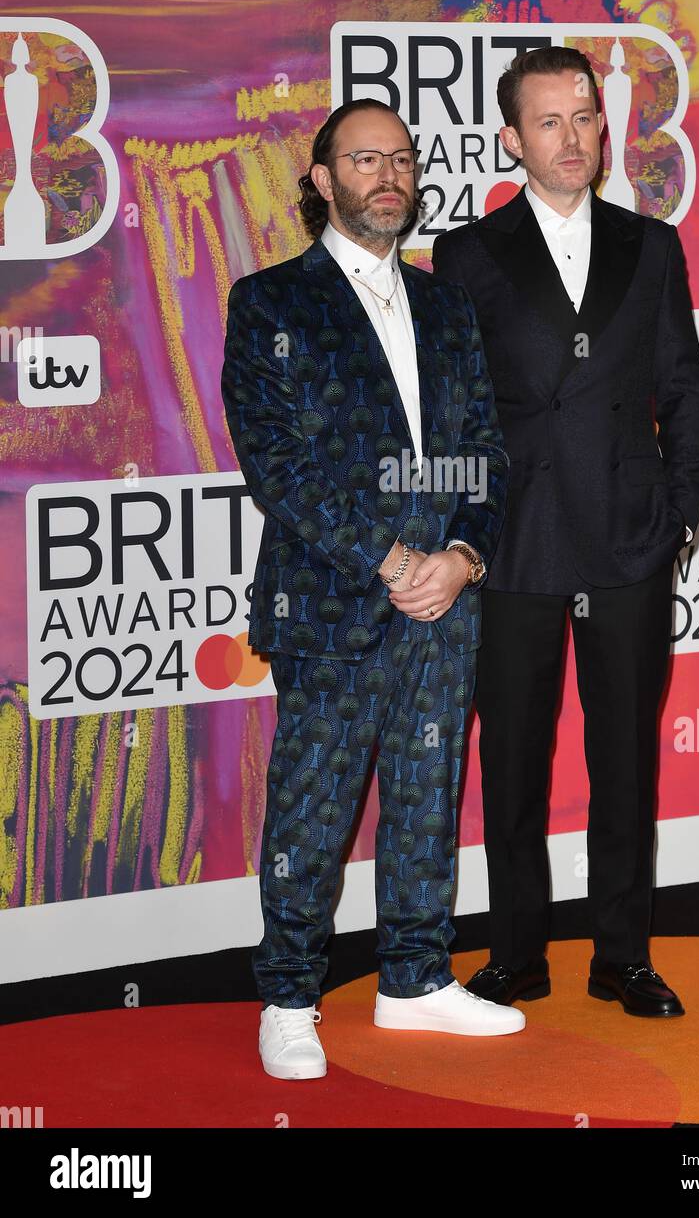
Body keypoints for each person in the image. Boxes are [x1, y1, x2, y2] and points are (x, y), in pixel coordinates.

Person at [221, 97, 523, 1080]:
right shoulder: (270, 303)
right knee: (312, 809)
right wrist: (392, 561)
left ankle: (414, 978)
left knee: (427, 796)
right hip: (332, 603)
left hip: (444, 603)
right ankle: (287, 994)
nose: (385, 176)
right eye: (362, 160)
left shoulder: (445, 306)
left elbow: (482, 451)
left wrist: (462, 559)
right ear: (321, 181)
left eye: (399, 159)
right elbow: (280, 471)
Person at [432, 46, 699, 1018]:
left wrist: (675, 509)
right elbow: (452, 409)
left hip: (626, 537)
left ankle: (621, 954)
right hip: (510, 543)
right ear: (509, 139)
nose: (572, 138)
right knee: (511, 753)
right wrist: (461, 529)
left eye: (584, 116)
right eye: (547, 121)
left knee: (623, 754)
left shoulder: (652, 244)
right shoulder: (467, 254)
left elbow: (680, 386)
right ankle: (516, 953)